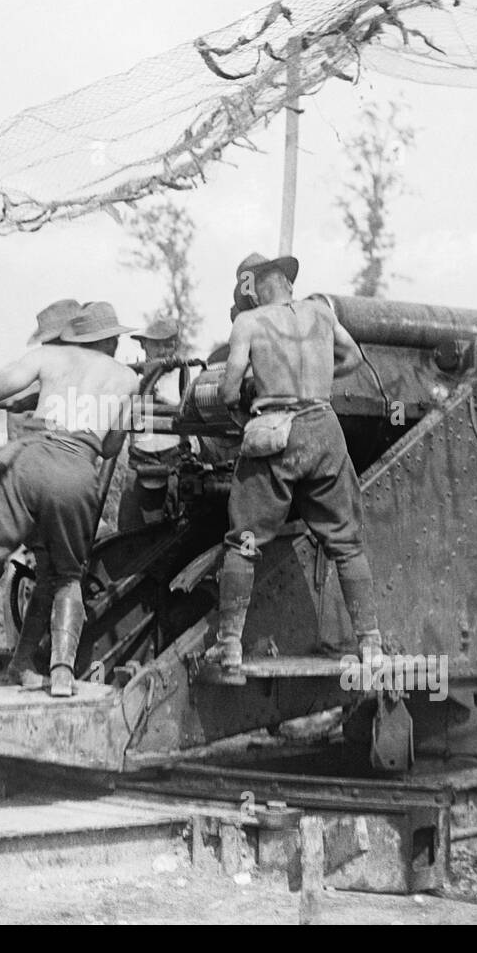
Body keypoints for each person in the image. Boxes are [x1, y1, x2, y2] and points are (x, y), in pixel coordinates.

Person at [0, 302, 139, 698]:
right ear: (111, 341)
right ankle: (59, 674)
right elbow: (116, 442)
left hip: (26, 463)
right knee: (65, 575)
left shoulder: (48, 356)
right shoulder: (130, 379)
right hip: (77, 470)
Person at [206, 251, 381, 682]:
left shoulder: (248, 323)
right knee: (347, 541)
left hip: (275, 431)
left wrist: (256, 393)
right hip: (324, 428)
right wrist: (316, 382)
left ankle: (229, 647)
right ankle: (371, 644)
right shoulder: (321, 312)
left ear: (249, 287)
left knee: (244, 540)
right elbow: (355, 358)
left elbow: (229, 390)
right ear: (287, 281)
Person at [117, 318, 186, 531]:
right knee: (129, 527)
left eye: (169, 343)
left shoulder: (184, 374)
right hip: (139, 460)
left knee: (178, 526)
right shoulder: (131, 377)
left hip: (175, 459)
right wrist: (146, 383)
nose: (164, 350)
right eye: (157, 344)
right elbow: (125, 414)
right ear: (144, 345)